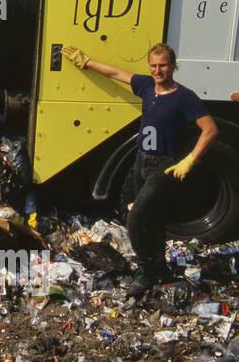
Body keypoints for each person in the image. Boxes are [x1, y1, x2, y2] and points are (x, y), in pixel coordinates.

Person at [60, 41, 218, 296]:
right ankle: (159, 267)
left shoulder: (184, 97)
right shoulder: (145, 85)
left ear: (174, 66)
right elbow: (115, 73)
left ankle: (146, 272)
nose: (158, 70)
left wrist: (190, 160)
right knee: (146, 217)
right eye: (154, 66)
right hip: (141, 162)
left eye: (163, 65)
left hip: (165, 166)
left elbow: (210, 130)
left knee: (138, 217)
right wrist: (86, 61)